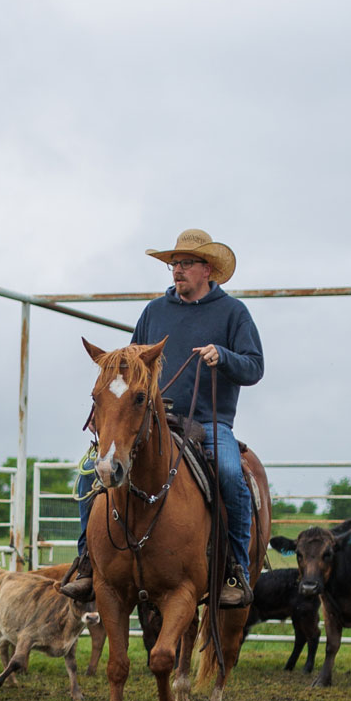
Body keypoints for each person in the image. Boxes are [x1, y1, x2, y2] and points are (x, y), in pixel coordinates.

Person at [62, 228, 264, 608]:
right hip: (150, 419)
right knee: (90, 473)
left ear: (207, 269)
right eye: (173, 263)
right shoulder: (154, 311)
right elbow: (130, 366)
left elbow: (255, 367)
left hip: (208, 422)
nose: (177, 270)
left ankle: (235, 568)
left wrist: (224, 356)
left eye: (186, 263)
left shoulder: (234, 313)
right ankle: (87, 562)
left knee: (230, 473)